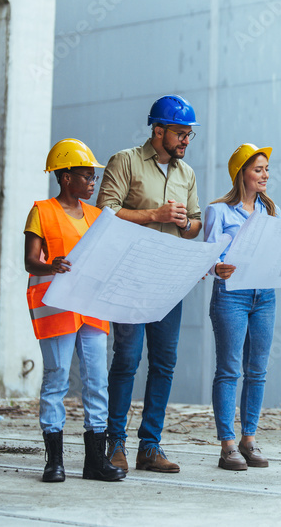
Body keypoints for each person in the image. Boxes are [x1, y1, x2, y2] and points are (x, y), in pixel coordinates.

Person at [97, 95, 203, 474]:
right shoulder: (124, 161)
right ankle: (114, 444)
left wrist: (183, 224)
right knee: (126, 360)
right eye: (180, 133)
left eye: (189, 135)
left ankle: (149, 446)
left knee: (164, 363)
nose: (185, 141)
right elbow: (104, 213)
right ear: (158, 131)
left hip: (167, 281)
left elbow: (194, 225)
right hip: (129, 278)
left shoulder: (186, 174)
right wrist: (154, 215)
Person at [23, 138, 125, 483]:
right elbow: (29, 262)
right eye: (86, 176)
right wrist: (50, 266)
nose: (92, 183)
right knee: (56, 381)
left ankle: (95, 462)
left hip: (91, 309)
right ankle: (54, 462)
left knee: (97, 383)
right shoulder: (42, 211)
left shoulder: (97, 216)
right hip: (56, 310)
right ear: (66, 178)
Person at [203, 144, 279, 471]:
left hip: (264, 296)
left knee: (257, 371)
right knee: (230, 369)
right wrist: (215, 266)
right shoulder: (217, 212)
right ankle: (227, 445)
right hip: (231, 295)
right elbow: (207, 257)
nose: (264, 175)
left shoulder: (270, 212)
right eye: (258, 169)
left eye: (266, 169)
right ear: (241, 174)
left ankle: (249, 440)